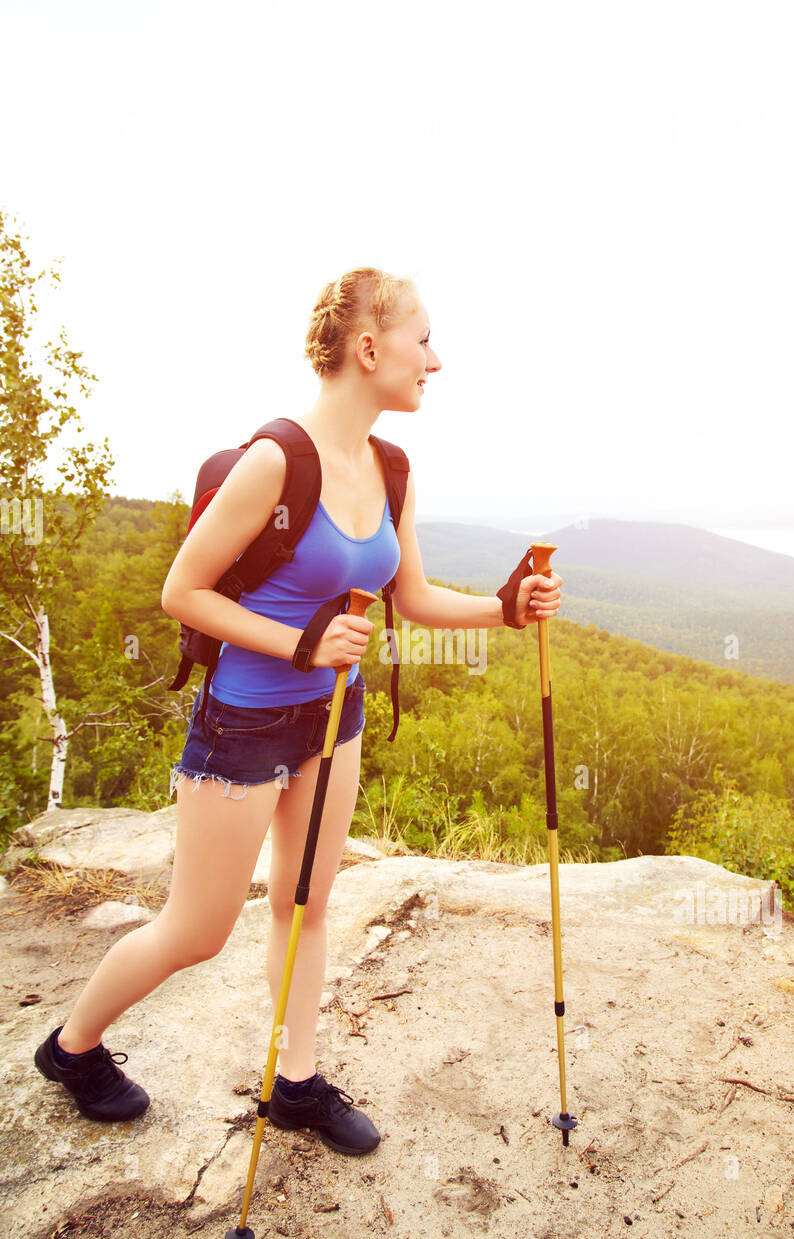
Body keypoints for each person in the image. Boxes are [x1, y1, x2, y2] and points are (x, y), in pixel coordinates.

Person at [34, 267, 563, 1155]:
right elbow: (182, 593)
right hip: (242, 724)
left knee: (307, 900)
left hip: (334, 720)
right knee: (197, 930)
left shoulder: (392, 468)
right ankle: (71, 1047)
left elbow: (416, 595)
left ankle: (297, 1083)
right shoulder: (276, 460)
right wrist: (303, 645)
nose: (435, 359)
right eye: (422, 339)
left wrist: (507, 609)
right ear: (369, 348)